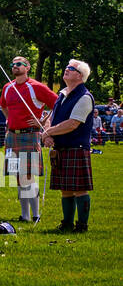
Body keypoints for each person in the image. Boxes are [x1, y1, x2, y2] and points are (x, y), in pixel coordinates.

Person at [0, 56, 57, 223]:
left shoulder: (36, 87)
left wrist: (44, 120)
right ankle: (24, 215)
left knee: (28, 176)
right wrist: (10, 120)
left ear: (28, 67)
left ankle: (36, 215)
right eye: (13, 64)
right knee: (18, 176)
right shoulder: (7, 87)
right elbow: (3, 105)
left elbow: (57, 103)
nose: (15, 66)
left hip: (30, 134)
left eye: (19, 64)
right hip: (12, 135)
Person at [43, 59, 95, 233]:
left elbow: (73, 124)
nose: (66, 70)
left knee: (79, 189)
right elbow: (52, 117)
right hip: (61, 147)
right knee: (65, 189)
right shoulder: (62, 94)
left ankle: (82, 225)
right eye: (66, 67)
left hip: (76, 147)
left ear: (80, 75)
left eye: (70, 69)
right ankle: (66, 223)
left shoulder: (85, 97)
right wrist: (48, 133)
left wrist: (49, 133)